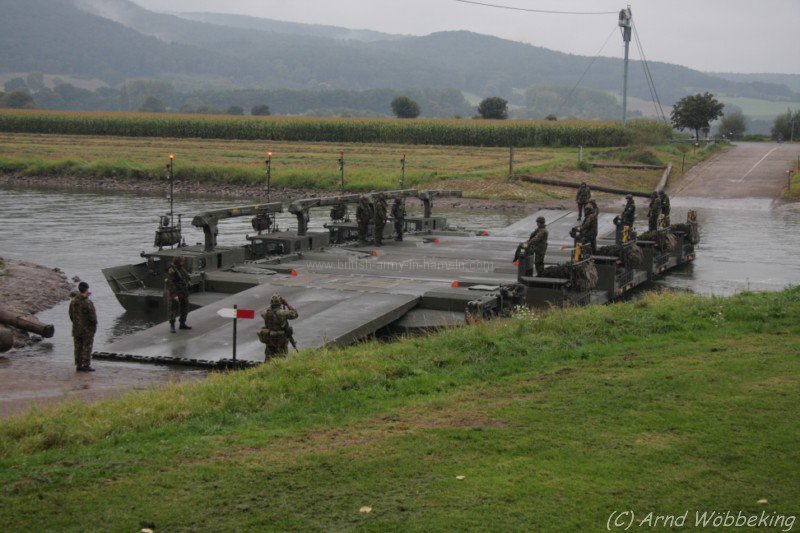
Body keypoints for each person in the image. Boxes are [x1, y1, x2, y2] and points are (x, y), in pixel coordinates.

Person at [258, 294, 299, 359]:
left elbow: (263, 312)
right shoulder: (282, 313)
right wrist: (287, 304)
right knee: (282, 356)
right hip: (281, 340)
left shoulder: (265, 312)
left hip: (270, 339)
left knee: (269, 357)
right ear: (280, 303)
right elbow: (295, 314)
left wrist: (271, 306)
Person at [68, 281, 97, 372]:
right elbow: (92, 316)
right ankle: (86, 365)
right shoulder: (87, 302)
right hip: (87, 329)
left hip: (76, 328)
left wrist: (76, 323)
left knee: (78, 347)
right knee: (87, 346)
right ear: (86, 289)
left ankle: (78, 364)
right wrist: (94, 324)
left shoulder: (73, 302)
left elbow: (71, 315)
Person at [166, 255, 192, 333]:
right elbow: (171, 283)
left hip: (184, 291)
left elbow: (186, 278)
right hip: (176, 292)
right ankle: (172, 325)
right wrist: (174, 295)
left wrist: (188, 282)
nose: (183, 262)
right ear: (177, 261)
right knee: (173, 309)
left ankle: (182, 323)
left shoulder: (181, 269)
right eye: (181, 261)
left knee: (185, 308)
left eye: (183, 261)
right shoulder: (172, 270)